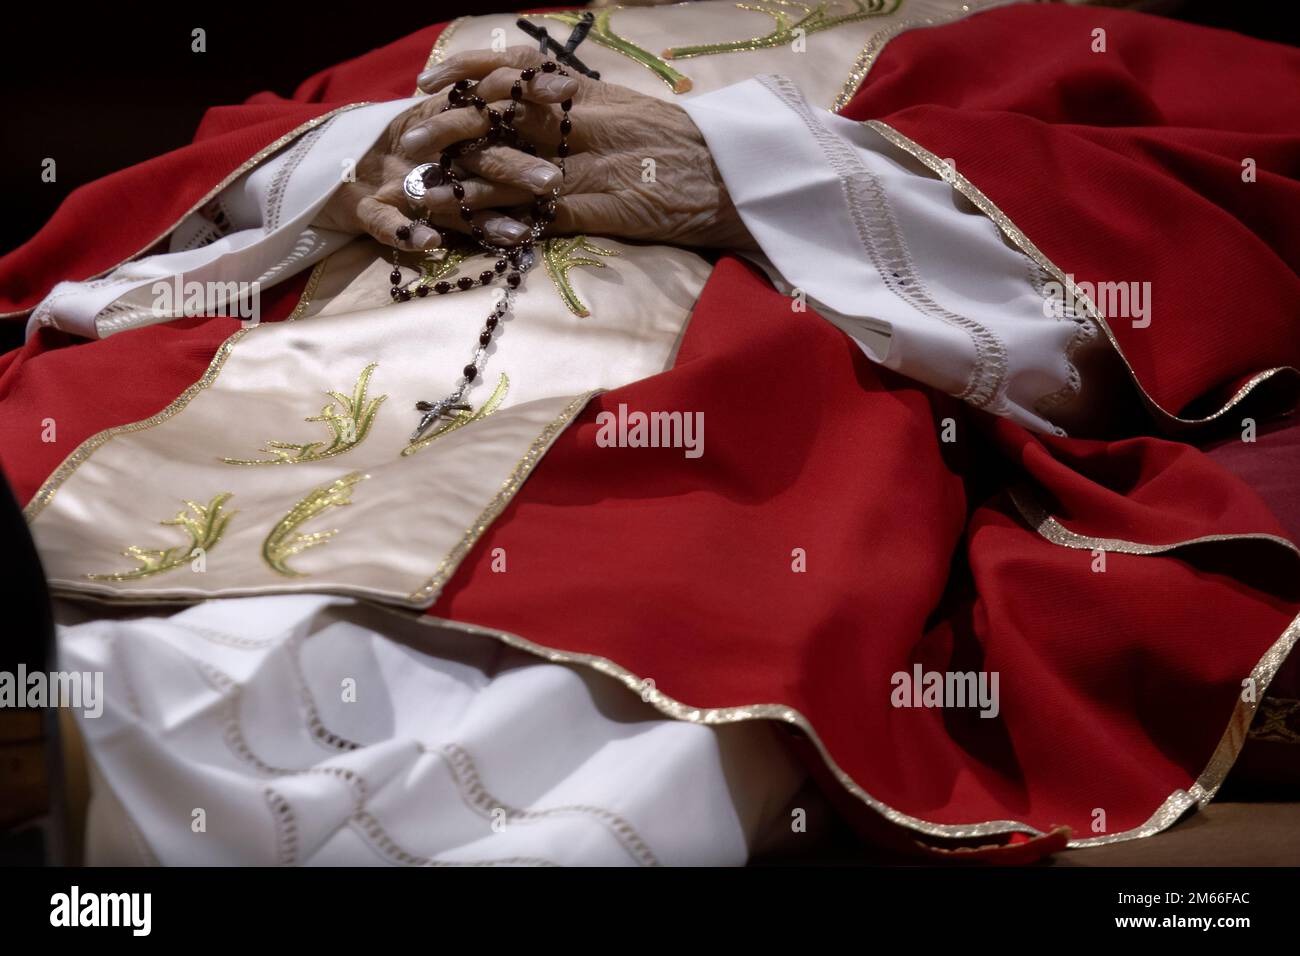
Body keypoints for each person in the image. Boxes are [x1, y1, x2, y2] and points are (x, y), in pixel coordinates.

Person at [2, 0, 1298, 865]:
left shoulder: (1053, 40)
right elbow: (186, 192)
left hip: (728, 392)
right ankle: (94, 737)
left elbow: (1208, 247)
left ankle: (116, 760)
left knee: (629, 602)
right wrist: (348, 163)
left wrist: (749, 178)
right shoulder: (470, 31)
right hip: (296, 349)